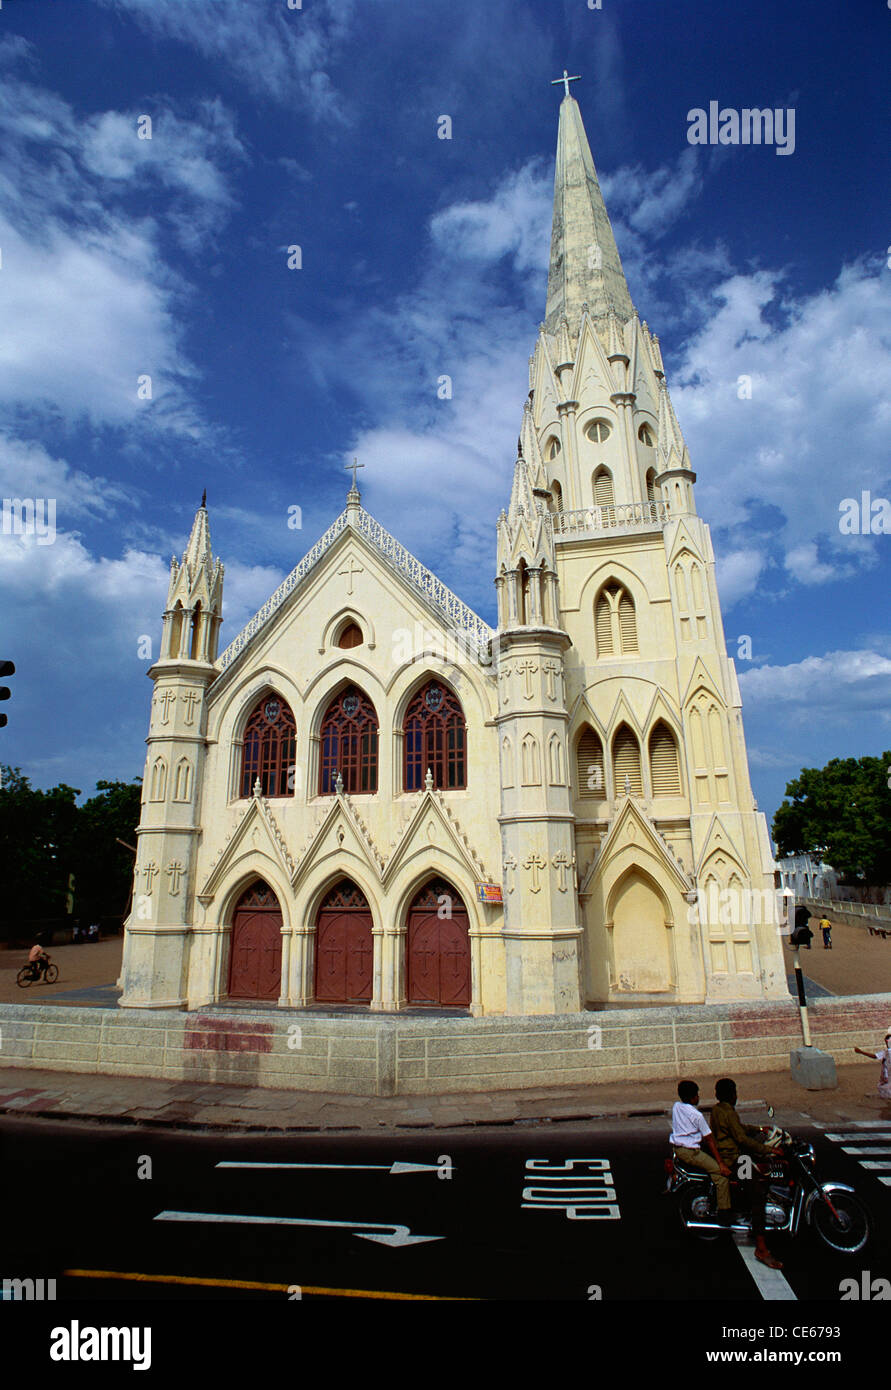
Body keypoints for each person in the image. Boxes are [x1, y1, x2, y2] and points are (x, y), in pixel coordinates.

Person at [711, 1078, 785, 1269]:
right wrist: (768, 1150)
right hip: (734, 1159)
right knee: (758, 1192)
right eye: (735, 1092)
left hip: (732, 1154)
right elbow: (742, 1138)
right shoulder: (728, 1112)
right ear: (732, 1094)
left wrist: (760, 1129)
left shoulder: (719, 1110)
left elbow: (740, 1129)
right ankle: (761, 1247)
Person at [670, 1079, 733, 1222]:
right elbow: (710, 1139)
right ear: (693, 1097)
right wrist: (721, 1163)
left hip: (679, 1148)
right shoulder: (697, 1115)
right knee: (721, 1176)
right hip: (691, 1152)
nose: (698, 1097)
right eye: (697, 1095)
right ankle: (724, 1213)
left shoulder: (676, 1107)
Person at [854, 1030, 891, 1101]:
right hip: (886, 1072)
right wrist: (861, 1052)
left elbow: (875, 1056)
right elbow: (875, 1056)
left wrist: (861, 1052)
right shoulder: (886, 1052)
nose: (886, 1043)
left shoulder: (888, 1052)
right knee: (883, 1086)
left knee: (885, 1086)